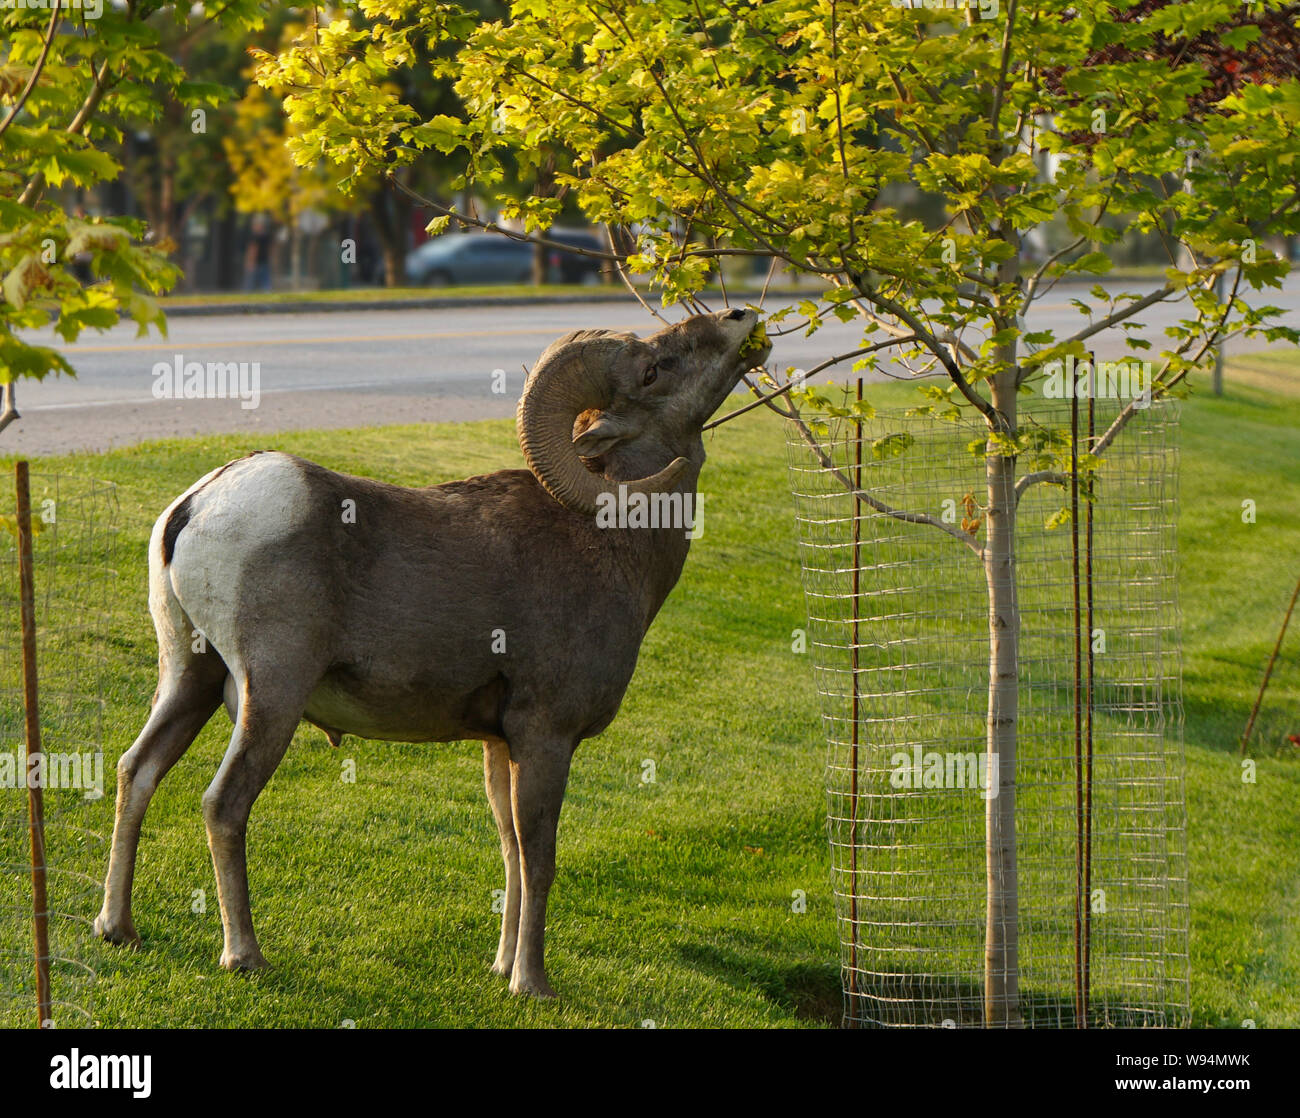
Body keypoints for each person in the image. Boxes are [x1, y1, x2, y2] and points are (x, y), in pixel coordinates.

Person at [244, 213, 274, 292]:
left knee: (249, 283)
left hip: (256, 263)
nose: (253, 227)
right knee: (266, 283)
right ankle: (267, 294)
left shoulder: (255, 237)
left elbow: (253, 250)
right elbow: (270, 249)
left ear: (259, 225)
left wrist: (250, 262)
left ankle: (247, 296)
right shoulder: (267, 236)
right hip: (264, 262)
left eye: (255, 225)